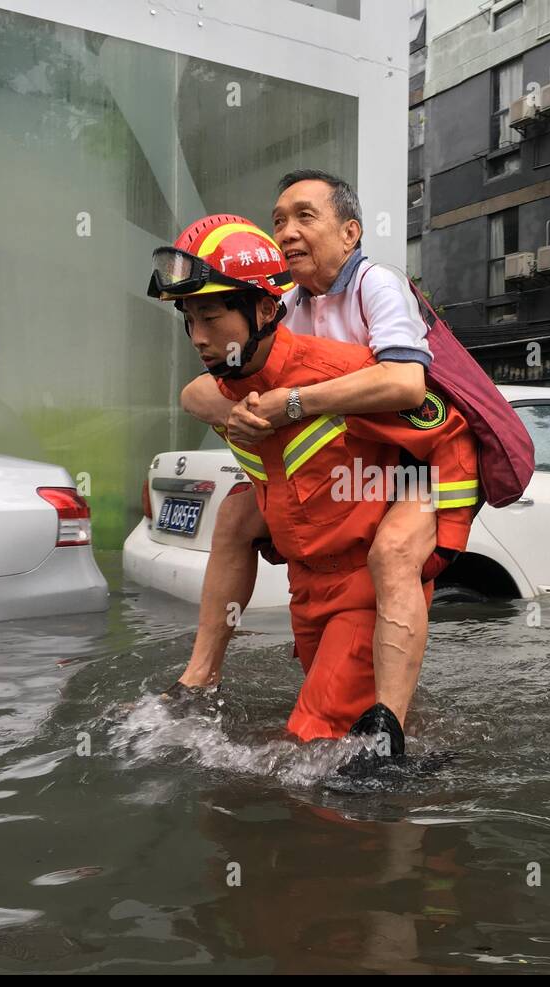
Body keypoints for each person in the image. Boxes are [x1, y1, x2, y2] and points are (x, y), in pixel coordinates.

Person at [153, 215, 479, 773]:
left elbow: (452, 436)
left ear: (262, 309)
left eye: (211, 317)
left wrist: (421, 538)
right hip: (306, 593)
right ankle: (200, 681)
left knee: (311, 758)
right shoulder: (227, 390)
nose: (199, 338)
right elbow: (195, 395)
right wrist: (230, 412)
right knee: (339, 749)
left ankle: (395, 775)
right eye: (189, 320)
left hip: (363, 594)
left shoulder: (344, 377)